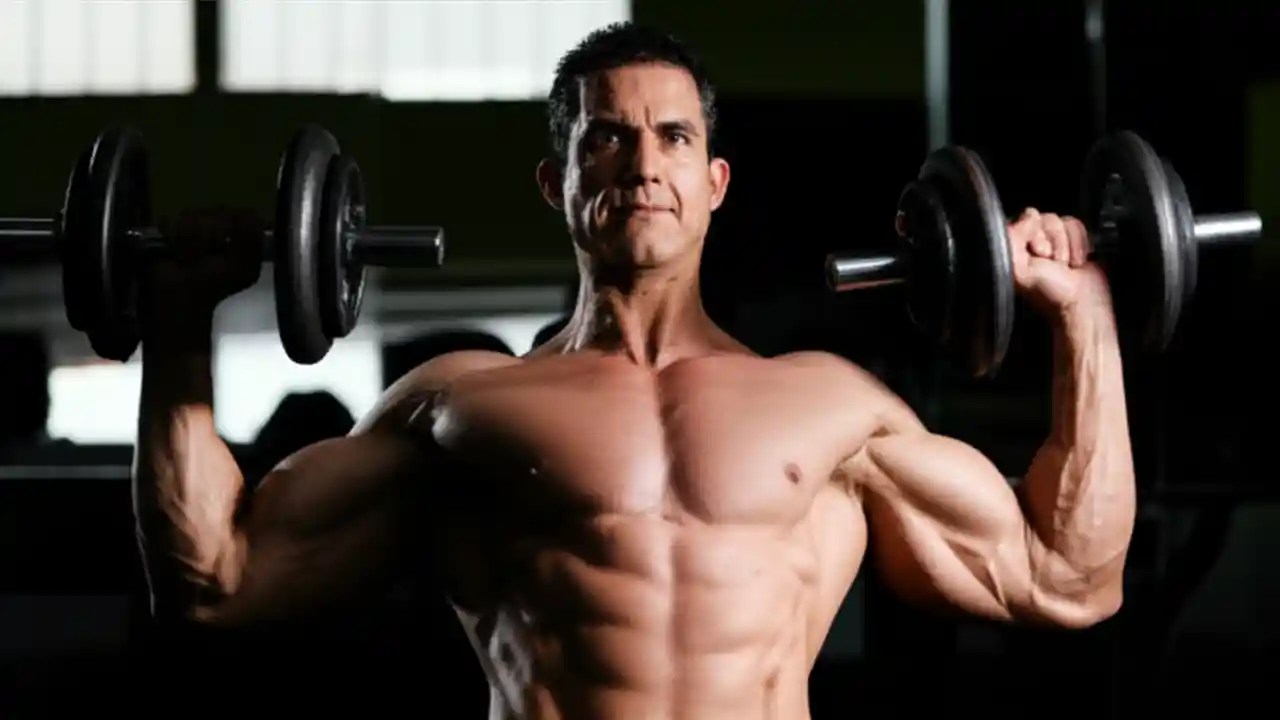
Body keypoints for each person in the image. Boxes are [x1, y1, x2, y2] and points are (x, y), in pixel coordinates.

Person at [131, 21, 1135, 718]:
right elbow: (216, 581)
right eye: (603, 138)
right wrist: (177, 327)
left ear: (713, 181)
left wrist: (1080, 312)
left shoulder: (829, 408)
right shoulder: (457, 409)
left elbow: (1068, 579)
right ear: (555, 181)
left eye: (671, 137)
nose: (639, 163)